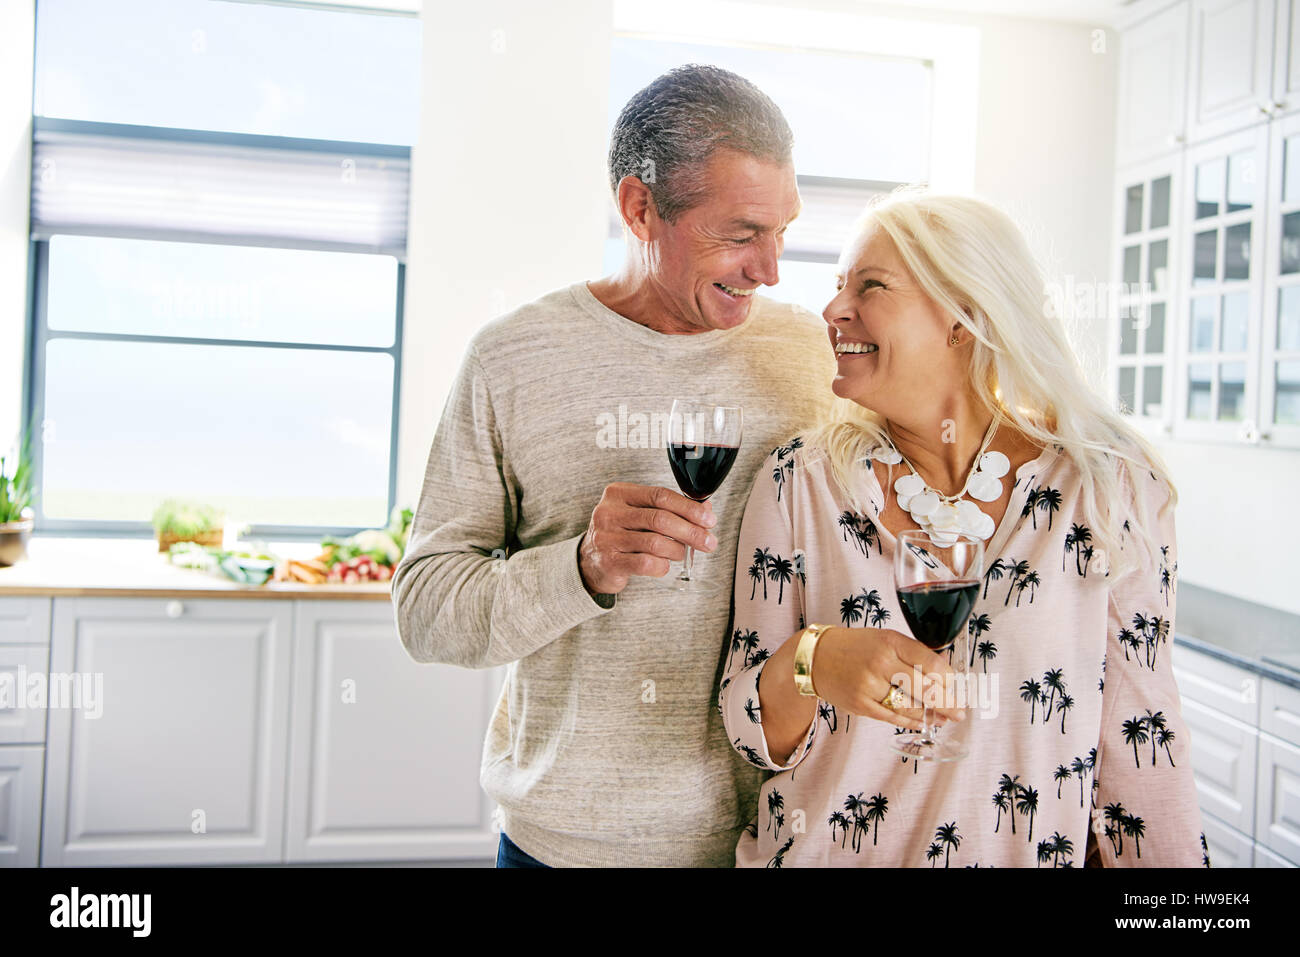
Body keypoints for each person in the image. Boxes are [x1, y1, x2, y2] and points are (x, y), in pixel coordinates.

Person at [392, 64, 836, 867]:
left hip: (773, 842)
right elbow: (427, 611)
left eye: (782, 231)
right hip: (565, 849)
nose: (770, 269)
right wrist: (583, 567)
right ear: (640, 207)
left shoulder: (814, 357)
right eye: (739, 234)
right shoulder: (514, 358)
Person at [719, 189, 1207, 868]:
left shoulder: (1106, 487)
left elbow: (1142, 745)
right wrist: (813, 659)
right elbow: (749, 733)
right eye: (837, 286)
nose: (832, 310)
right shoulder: (799, 480)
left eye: (871, 285)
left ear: (962, 319)